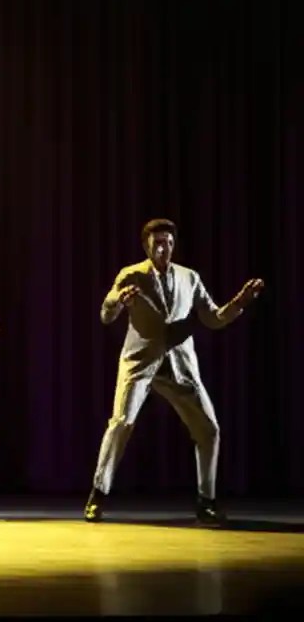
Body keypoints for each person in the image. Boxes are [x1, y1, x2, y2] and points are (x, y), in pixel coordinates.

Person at [87, 218, 264, 525]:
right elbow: (106, 314)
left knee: (209, 429)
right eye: (158, 243)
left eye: (168, 242)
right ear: (147, 246)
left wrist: (239, 302)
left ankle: (206, 502)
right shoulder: (132, 275)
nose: (164, 248)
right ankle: (97, 495)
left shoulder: (189, 277)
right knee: (121, 422)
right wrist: (118, 300)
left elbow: (213, 318)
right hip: (140, 363)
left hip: (179, 366)